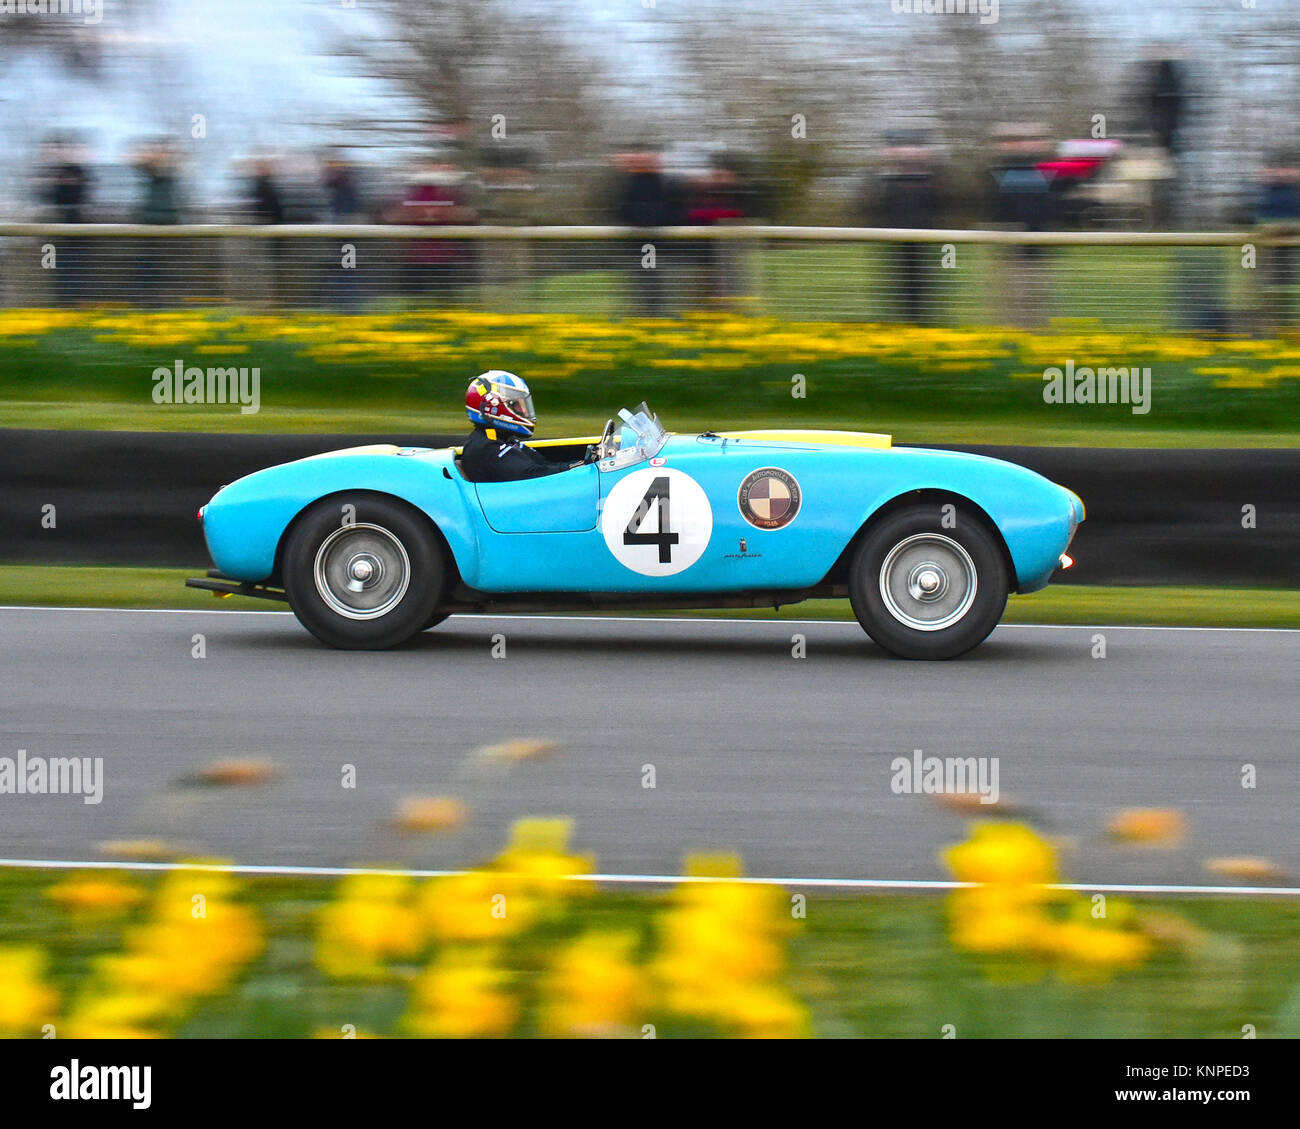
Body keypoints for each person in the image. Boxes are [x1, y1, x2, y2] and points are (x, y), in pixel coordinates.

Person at [461, 371, 577, 483]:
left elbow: (544, 465)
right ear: (493, 407)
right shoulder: (486, 447)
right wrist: (577, 467)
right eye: (517, 405)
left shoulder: (503, 440)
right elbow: (534, 475)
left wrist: (580, 464)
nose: (524, 410)